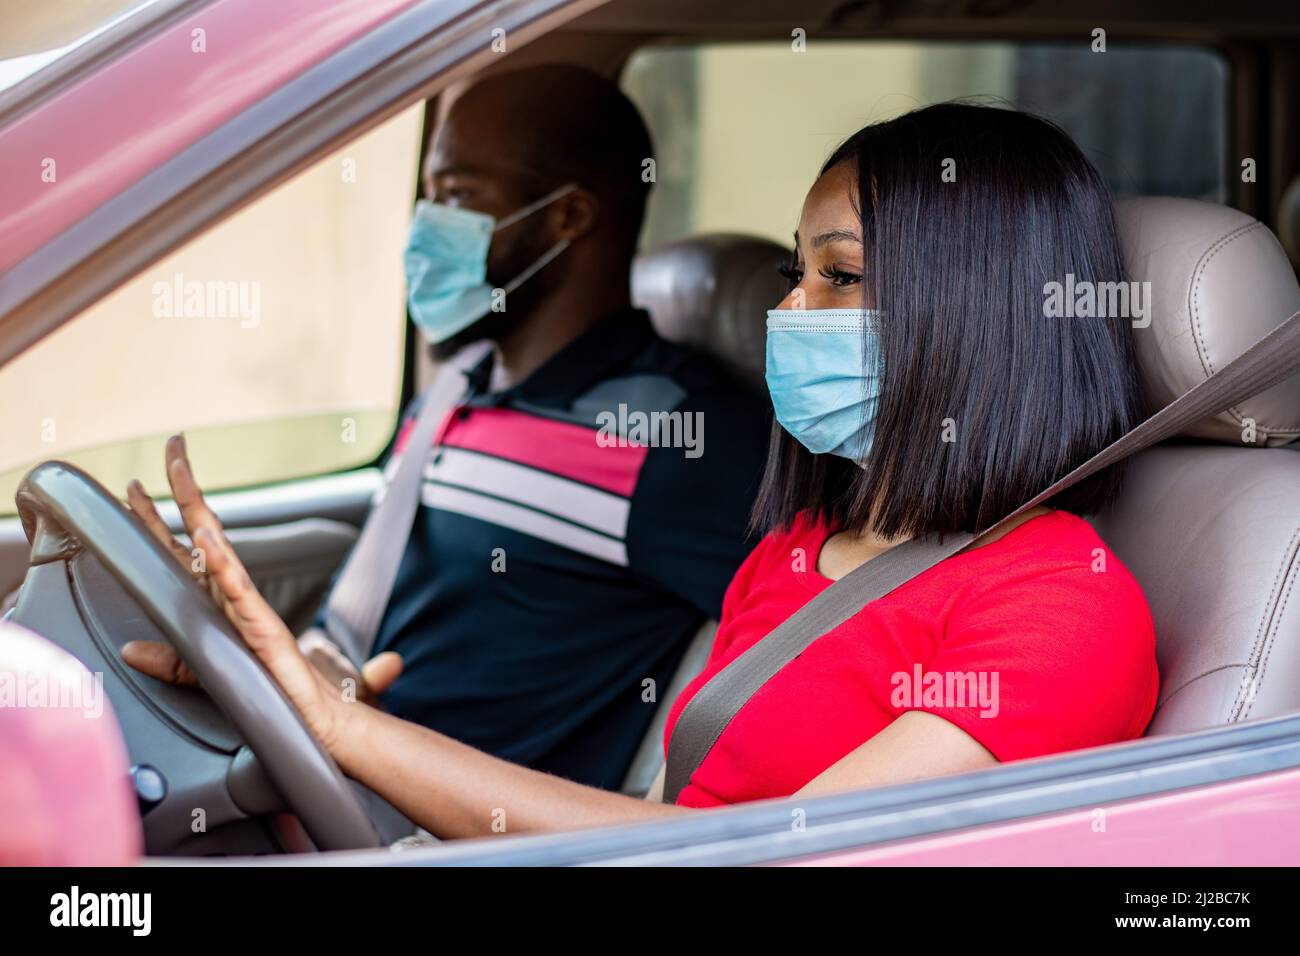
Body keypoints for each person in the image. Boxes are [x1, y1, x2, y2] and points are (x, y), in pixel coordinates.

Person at [123, 102, 1159, 834]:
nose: (787, 312)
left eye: (838, 276)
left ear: (974, 315)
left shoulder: (1059, 608)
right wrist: (316, 702)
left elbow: (743, 854)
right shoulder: (798, 550)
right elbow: (671, 821)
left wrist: (342, 727)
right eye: (795, 272)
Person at [293, 62, 770, 790]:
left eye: (457, 197)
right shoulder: (457, 382)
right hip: (332, 770)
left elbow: (814, 644)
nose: (427, 228)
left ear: (568, 218)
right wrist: (318, 665)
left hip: (443, 835)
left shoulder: (677, 439)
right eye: (428, 196)